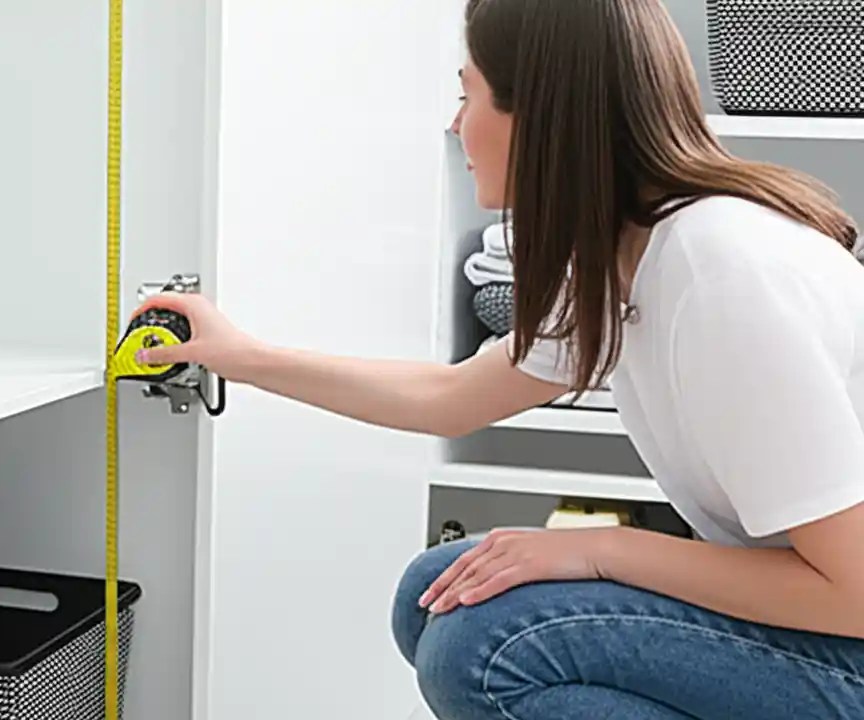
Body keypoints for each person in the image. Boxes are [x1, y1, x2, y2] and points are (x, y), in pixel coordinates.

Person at [133, 0, 864, 717]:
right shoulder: (622, 256)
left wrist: (601, 549)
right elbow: (448, 397)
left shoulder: (722, 276)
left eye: (467, 93)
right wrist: (240, 355)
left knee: (481, 646)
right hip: (829, 624)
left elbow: (852, 592)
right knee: (440, 586)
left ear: (543, 115)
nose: (456, 124)